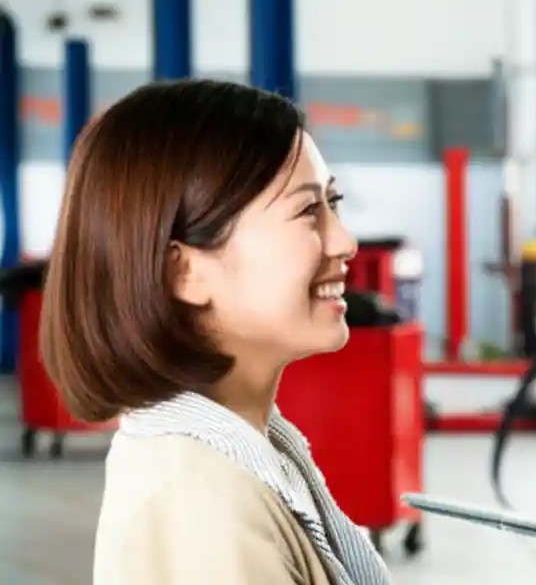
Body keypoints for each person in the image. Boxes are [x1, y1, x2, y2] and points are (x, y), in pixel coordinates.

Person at [40, 80, 392, 585]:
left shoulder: (241, 457)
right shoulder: (202, 501)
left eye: (333, 203)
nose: (345, 241)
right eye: (307, 211)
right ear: (184, 271)